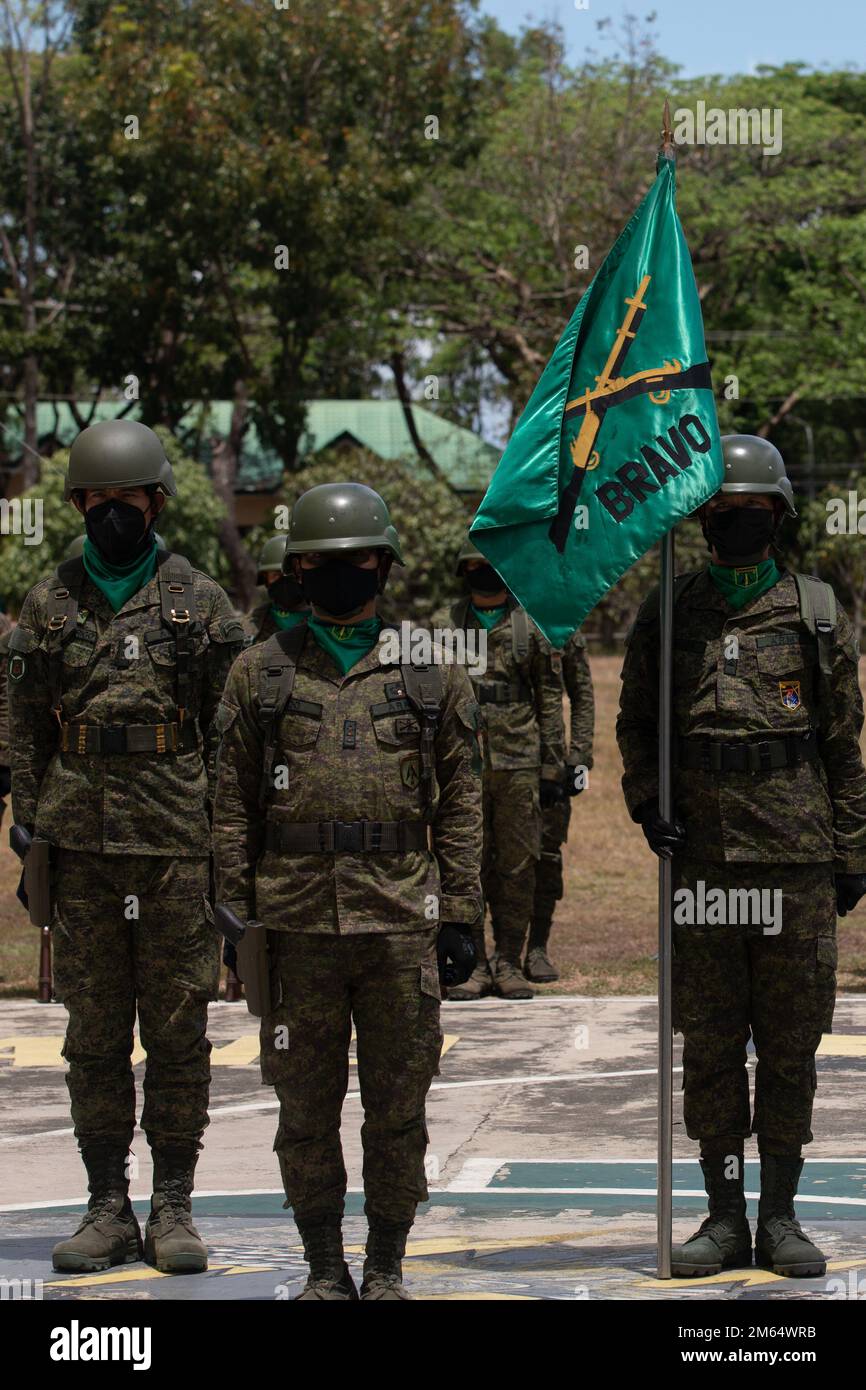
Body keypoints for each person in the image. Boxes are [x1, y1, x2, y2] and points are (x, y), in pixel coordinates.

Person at [211, 482, 482, 1300]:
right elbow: (228, 801)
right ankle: (325, 1268)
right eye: (325, 563)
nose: (342, 573)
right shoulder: (258, 676)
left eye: (358, 559)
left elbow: (465, 798)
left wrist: (462, 913)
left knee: (399, 1109)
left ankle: (388, 1265)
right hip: (295, 929)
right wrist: (234, 916)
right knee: (304, 1111)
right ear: (298, 570)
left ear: (384, 566)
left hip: (403, 926)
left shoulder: (431, 674)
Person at [617, 434, 866, 1279]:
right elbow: (636, 725)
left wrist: (853, 851)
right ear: (699, 520)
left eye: (751, 510)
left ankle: (782, 1217)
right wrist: (648, 803)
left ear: (779, 518)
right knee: (713, 1044)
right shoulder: (670, 609)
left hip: (796, 863)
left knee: (791, 1045)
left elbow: (844, 745)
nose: (734, 523)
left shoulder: (816, 613)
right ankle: (723, 1217)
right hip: (706, 866)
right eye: (720, 511)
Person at [7, 419, 244, 1275]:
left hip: (178, 845)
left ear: (155, 502)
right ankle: (107, 1204)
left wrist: (230, 847)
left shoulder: (200, 603)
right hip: (79, 850)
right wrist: (25, 816)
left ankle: (173, 1205)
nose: (114, 515)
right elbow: (26, 723)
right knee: (93, 1035)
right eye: (98, 502)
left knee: (178, 1030)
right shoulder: (50, 602)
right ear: (79, 504)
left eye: (127, 500)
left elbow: (233, 732)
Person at [436, 539, 565, 1000]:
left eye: (489, 565)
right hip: (461, 766)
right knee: (465, 863)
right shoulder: (445, 627)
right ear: (462, 571)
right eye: (474, 566)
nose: (482, 573)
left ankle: (509, 959)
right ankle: (473, 963)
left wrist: (553, 767)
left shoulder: (529, 626)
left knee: (517, 864)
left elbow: (550, 700)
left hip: (519, 764)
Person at [527, 629, 595, 982]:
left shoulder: (560, 622)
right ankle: (490, 953)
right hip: (492, 760)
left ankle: (538, 947)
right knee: (485, 859)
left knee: (548, 855)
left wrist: (579, 755)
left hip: (550, 763)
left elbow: (582, 692)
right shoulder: (482, 617)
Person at [242, 533, 309, 645]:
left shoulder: (324, 623)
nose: (285, 581)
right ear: (265, 580)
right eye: (275, 575)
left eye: (291, 574)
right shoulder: (249, 625)